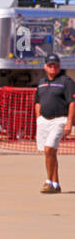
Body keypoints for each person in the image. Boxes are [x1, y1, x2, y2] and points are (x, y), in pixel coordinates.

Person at [36, 54, 75, 193]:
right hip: (44, 121)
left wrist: (69, 122)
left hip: (59, 120)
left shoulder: (66, 81)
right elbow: (38, 102)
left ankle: (48, 182)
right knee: (50, 153)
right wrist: (38, 118)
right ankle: (56, 184)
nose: (53, 68)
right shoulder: (41, 82)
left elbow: (72, 102)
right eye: (50, 65)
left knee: (49, 149)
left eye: (56, 65)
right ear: (45, 66)